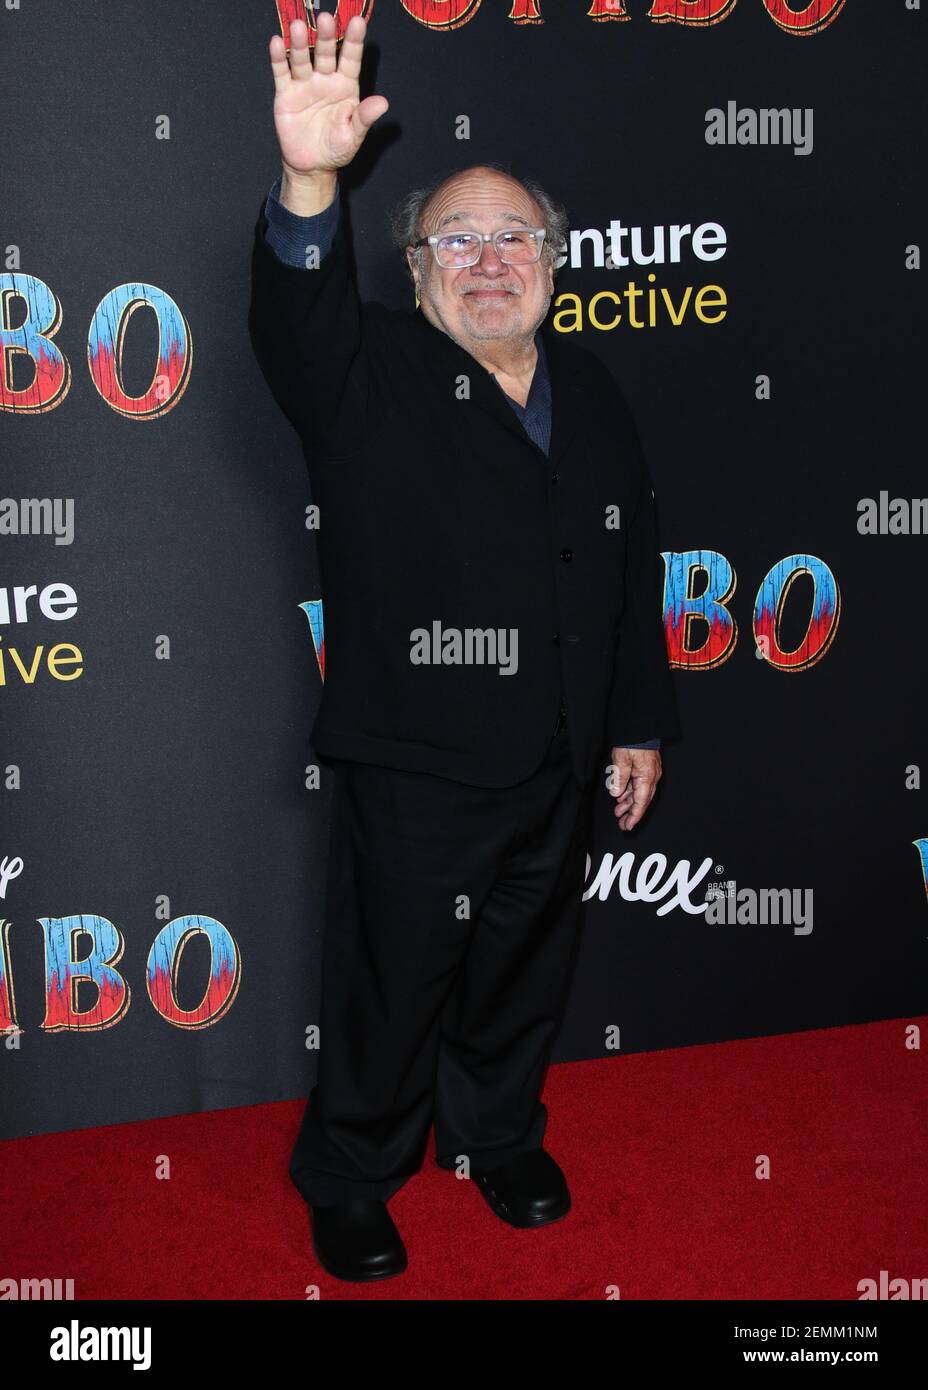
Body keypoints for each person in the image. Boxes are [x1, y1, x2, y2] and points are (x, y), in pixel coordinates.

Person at [248, 12, 679, 1283]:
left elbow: (627, 566)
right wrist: (309, 179)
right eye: (457, 239)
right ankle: (352, 1172)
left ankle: (494, 1137)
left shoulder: (593, 391)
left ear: (555, 259)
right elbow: (294, 315)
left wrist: (638, 721)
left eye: (513, 238)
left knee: (520, 972)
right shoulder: (364, 371)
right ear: (417, 265)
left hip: (557, 761)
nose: (488, 261)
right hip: (418, 768)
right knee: (392, 988)